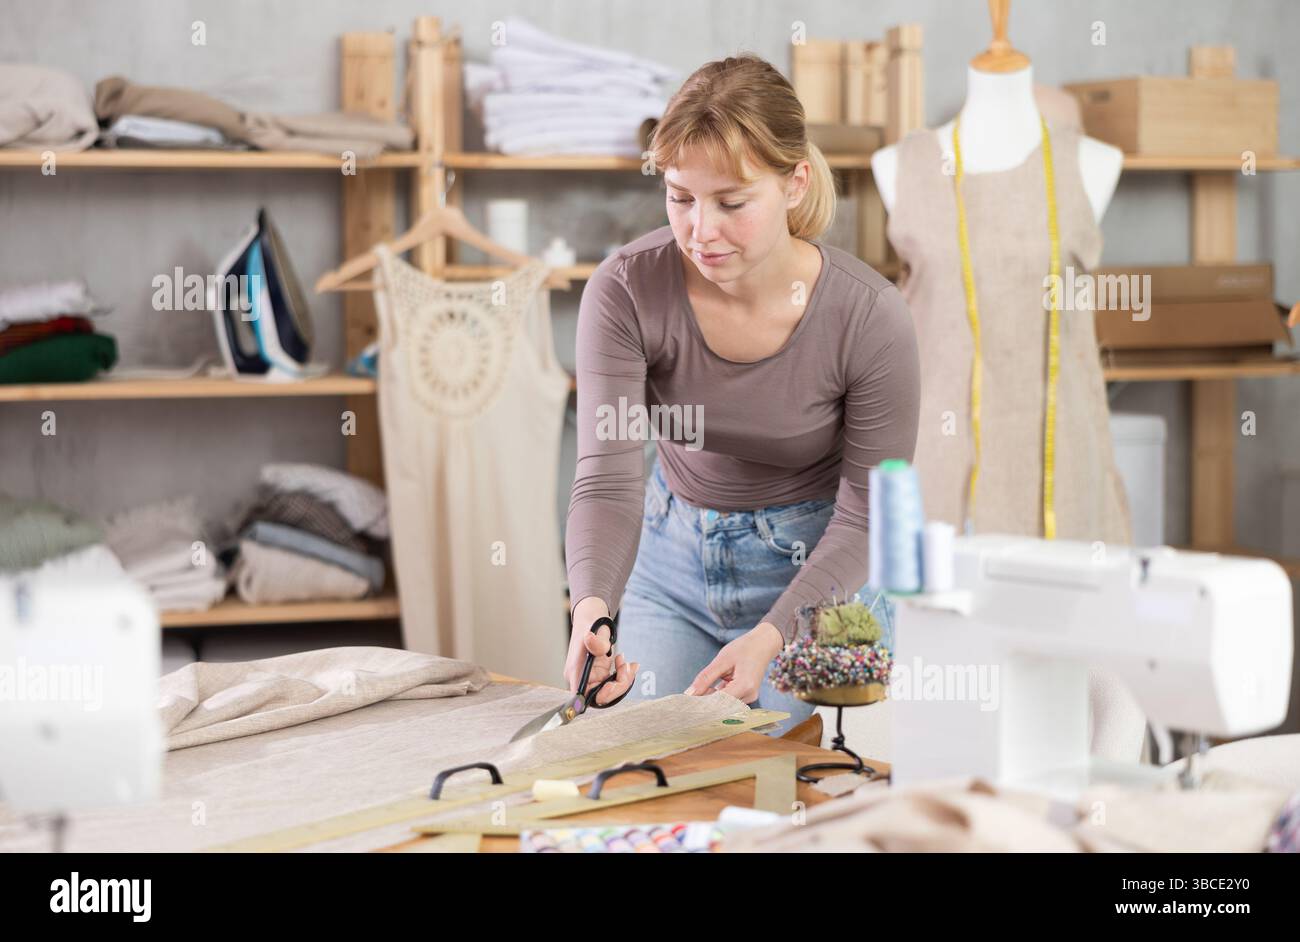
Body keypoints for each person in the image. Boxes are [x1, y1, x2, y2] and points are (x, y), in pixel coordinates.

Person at [564, 54, 920, 733]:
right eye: (680, 197)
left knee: (806, 782)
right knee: (640, 763)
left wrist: (777, 633)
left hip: (826, 570)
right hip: (671, 565)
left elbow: (871, 516)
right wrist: (591, 608)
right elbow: (607, 482)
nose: (701, 230)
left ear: (794, 184)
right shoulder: (625, 290)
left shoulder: (869, 314)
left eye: (731, 202)